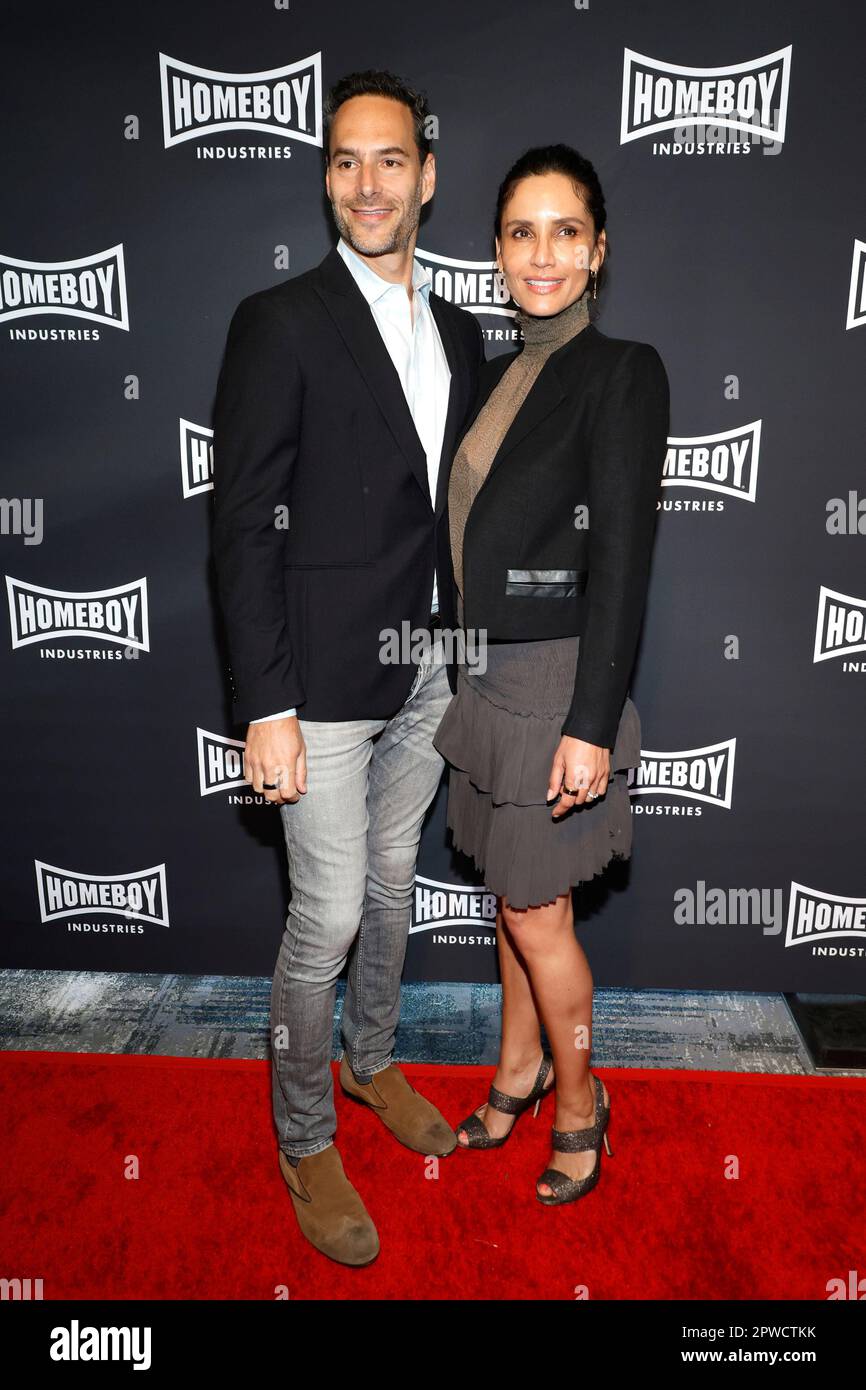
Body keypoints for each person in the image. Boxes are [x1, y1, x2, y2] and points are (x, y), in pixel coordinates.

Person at [211, 70, 483, 1265]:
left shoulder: (460, 331)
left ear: (426, 178)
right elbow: (240, 524)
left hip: (427, 658)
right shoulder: (279, 319)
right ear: (325, 178)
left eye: (389, 159)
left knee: (391, 882)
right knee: (321, 914)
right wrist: (264, 701)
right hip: (315, 678)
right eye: (342, 160)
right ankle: (303, 1133)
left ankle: (371, 1060)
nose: (365, 183)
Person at [433, 144, 670, 1205]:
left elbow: (620, 558)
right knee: (512, 904)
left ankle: (580, 1105)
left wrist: (591, 721)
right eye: (521, 233)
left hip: (555, 689)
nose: (542, 254)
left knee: (539, 918)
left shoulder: (622, 372)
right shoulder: (493, 377)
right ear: (495, 250)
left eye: (564, 232)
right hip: (487, 683)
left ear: (598, 249)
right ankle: (518, 1071)